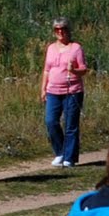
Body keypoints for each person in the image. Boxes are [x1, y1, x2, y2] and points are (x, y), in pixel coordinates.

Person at [41, 17, 89, 168]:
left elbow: (84, 69)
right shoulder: (50, 48)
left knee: (70, 125)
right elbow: (46, 70)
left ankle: (70, 157)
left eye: (63, 29)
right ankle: (60, 152)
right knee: (50, 121)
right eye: (57, 29)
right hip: (53, 91)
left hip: (72, 91)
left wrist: (74, 70)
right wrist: (43, 88)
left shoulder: (76, 48)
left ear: (68, 30)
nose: (60, 32)